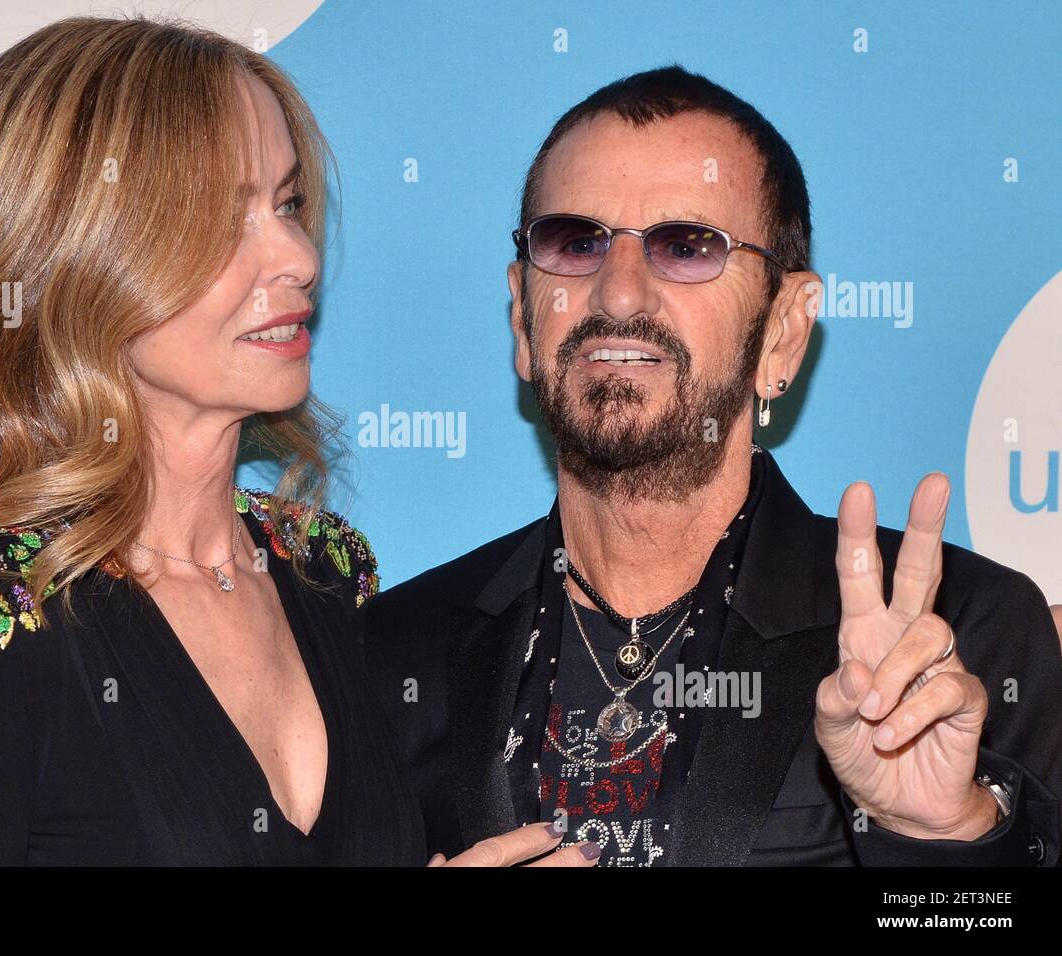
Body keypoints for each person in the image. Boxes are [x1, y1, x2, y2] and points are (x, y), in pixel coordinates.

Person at [0, 16, 593, 868]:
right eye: (222, 219)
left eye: (289, 203)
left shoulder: (326, 569)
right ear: (68, 256)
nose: (299, 257)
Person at [361, 65, 1062, 867]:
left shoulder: (958, 636)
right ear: (523, 315)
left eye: (686, 246)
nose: (619, 294)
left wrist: (945, 837)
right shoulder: (392, 652)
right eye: (576, 241)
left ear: (784, 334)